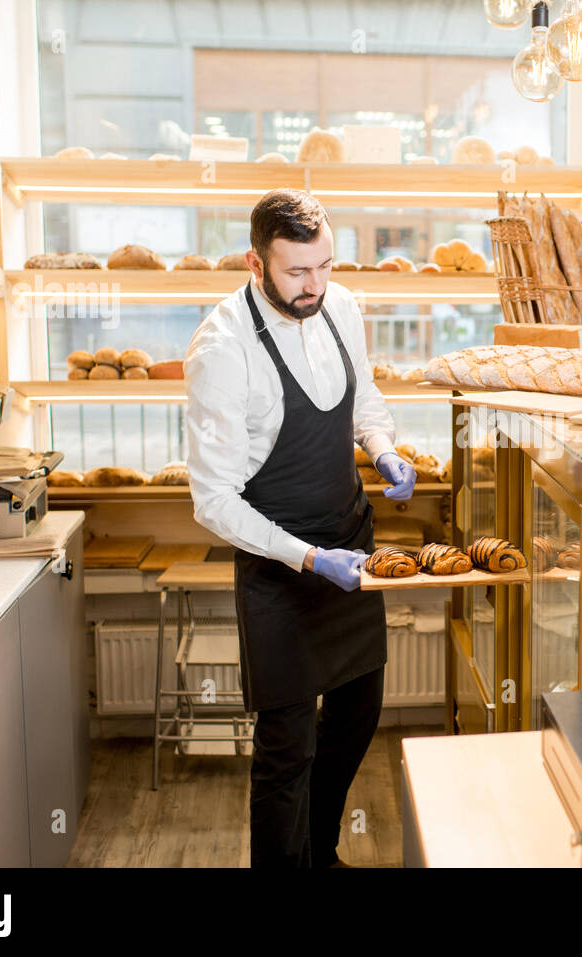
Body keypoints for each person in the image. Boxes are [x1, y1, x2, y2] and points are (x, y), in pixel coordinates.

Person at [184, 188, 416, 867]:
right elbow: (214, 499)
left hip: (350, 538)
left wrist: (384, 448)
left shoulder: (340, 305)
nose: (314, 286)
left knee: (356, 716)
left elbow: (364, 399)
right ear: (256, 264)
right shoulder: (222, 349)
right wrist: (310, 559)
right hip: (279, 565)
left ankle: (321, 851)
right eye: (296, 272)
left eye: (324, 267)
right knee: (287, 750)